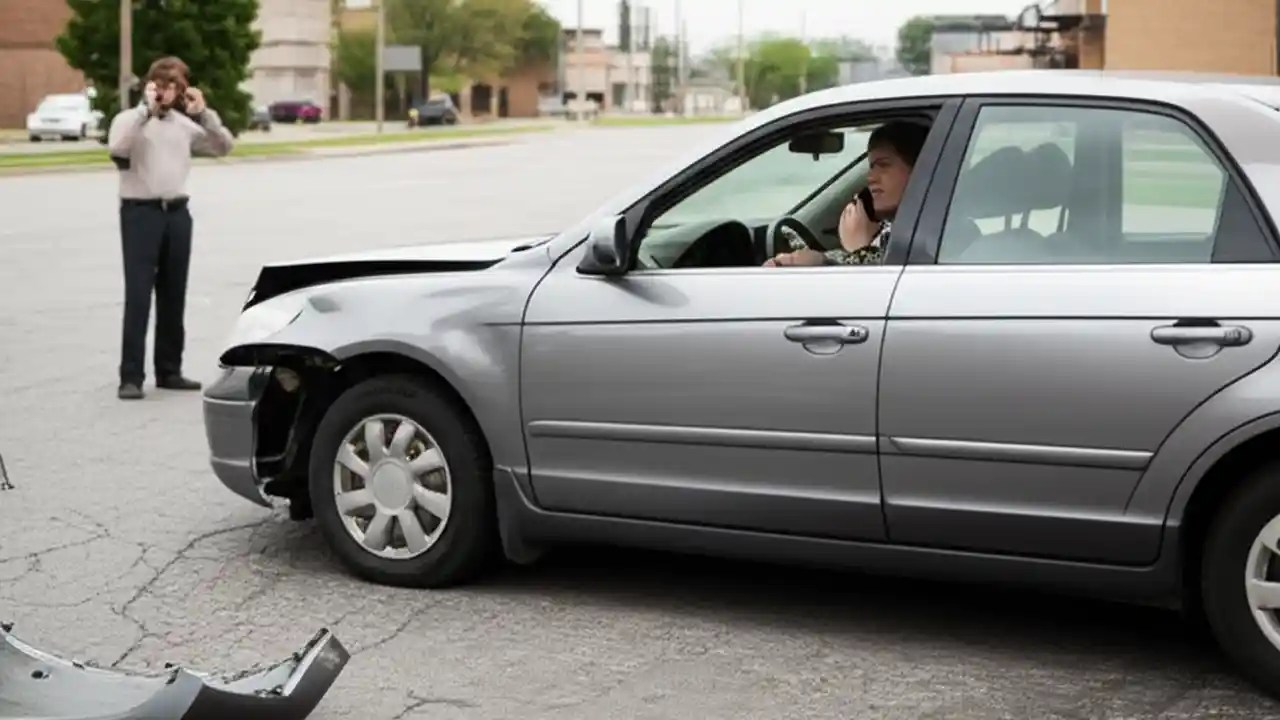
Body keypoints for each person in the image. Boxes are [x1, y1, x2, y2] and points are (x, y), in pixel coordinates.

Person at [106, 56, 234, 400]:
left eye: (174, 86)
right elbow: (117, 147)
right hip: (140, 213)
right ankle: (130, 376)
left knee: (173, 293)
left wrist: (204, 114)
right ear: (150, 86)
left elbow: (223, 146)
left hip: (177, 214)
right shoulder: (129, 120)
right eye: (161, 85)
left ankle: (169, 370)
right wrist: (145, 111)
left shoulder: (183, 125)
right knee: (138, 295)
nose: (167, 92)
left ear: (181, 91)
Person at [764, 120, 930, 267]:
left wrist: (860, 249)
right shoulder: (901, 230)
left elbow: (876, 293)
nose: (871, 178)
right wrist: (821, 260)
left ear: (919, 169)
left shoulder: (932, 234)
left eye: (883, 165)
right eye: (871, 167)